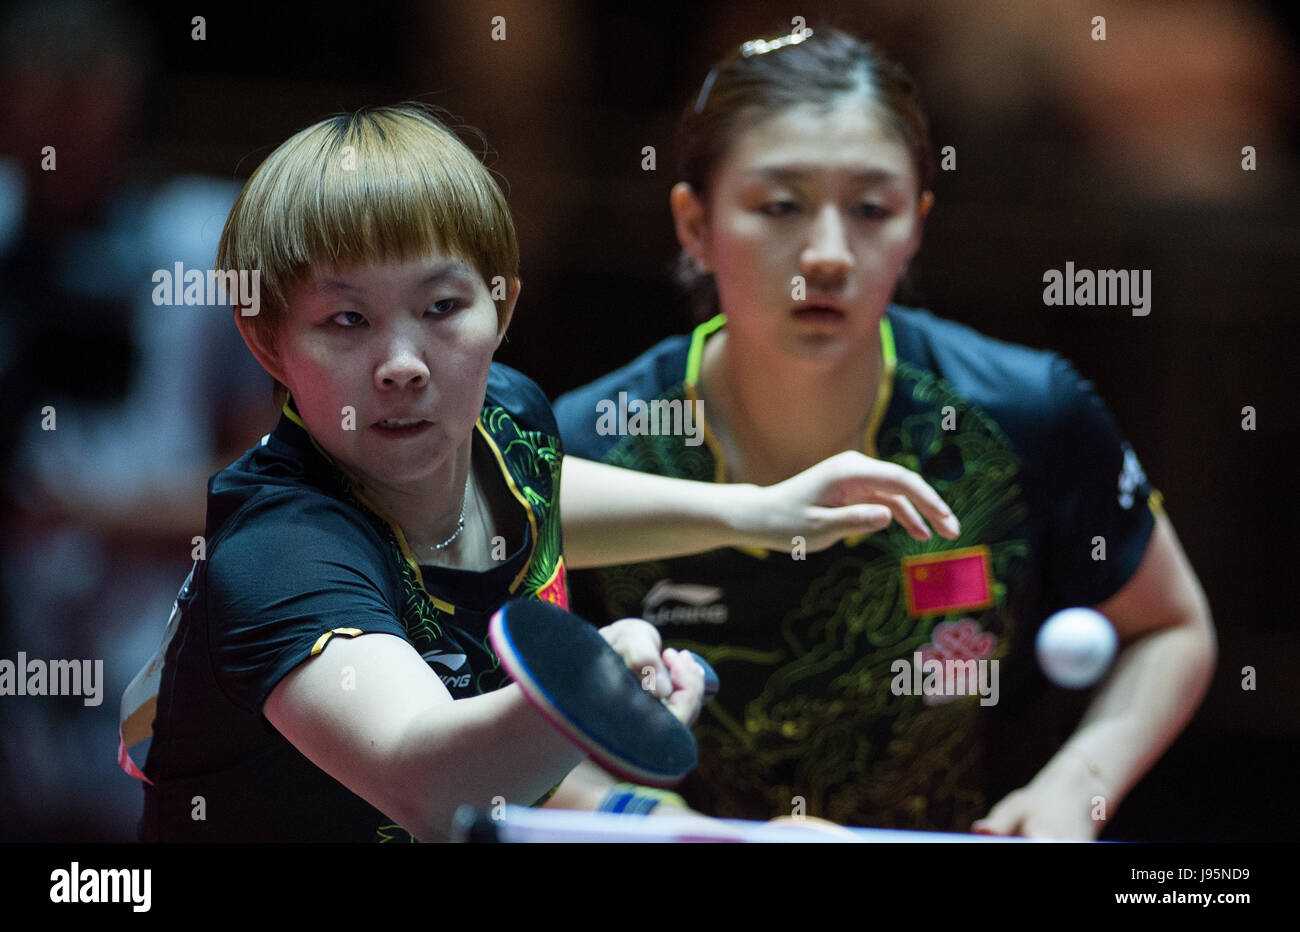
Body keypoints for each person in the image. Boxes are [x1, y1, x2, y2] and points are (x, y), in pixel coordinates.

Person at [131, 103, 953, 842]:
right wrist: (589, 690)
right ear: (267, 339)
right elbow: (431, 785)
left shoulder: (505, 416)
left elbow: (536, 493)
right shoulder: (282, 552)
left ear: (502, 308)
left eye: (444, 306)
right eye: (346, 320)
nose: (404, 364)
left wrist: (757, 511)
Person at [553, 27, 1217, 839]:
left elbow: (1171, 627)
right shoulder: (586, 447)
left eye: (872, 209)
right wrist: (673, 828)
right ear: (695, 224)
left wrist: (1077, 786)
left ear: (916, 225)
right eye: (779, 206)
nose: (829, 253)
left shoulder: (1024, 411)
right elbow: (494, 706)